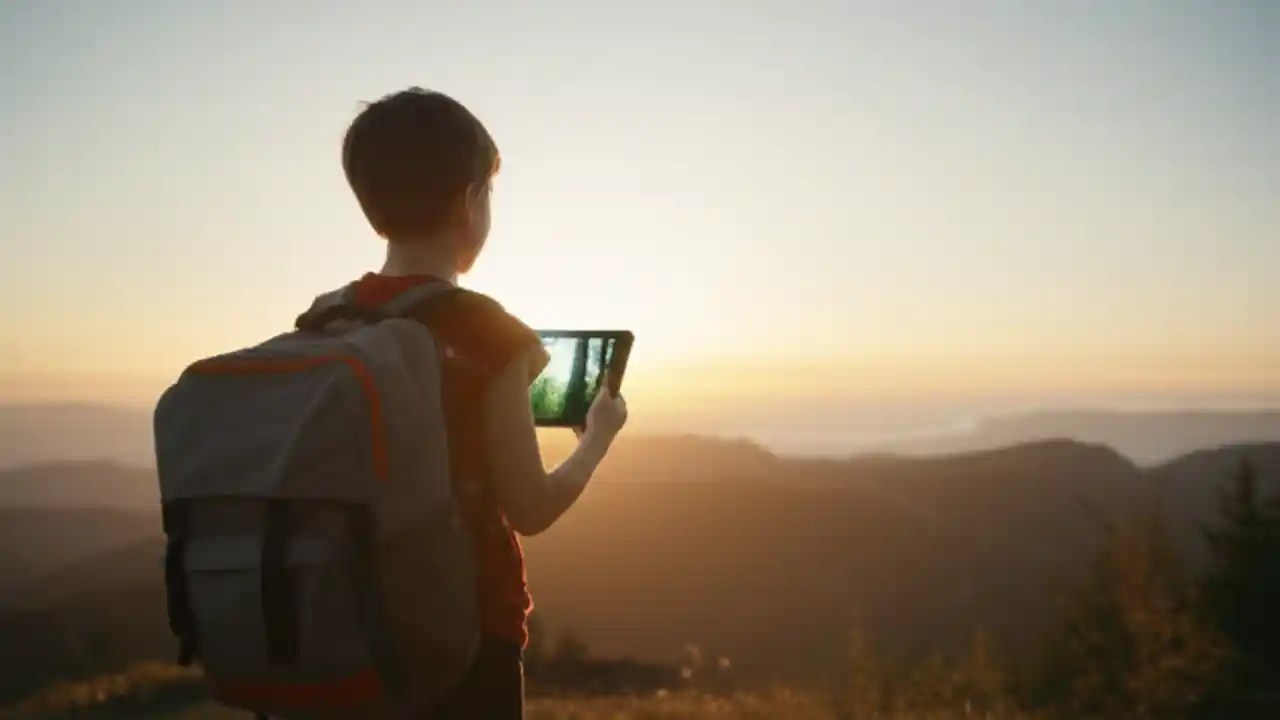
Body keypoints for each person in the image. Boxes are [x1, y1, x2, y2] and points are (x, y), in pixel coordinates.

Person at [339, 87, 628, 718]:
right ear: (472, 202)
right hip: (463, 641)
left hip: (345, 628)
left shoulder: (330, 320)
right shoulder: (485, 333)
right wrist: (598, 436)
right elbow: (531, 507)